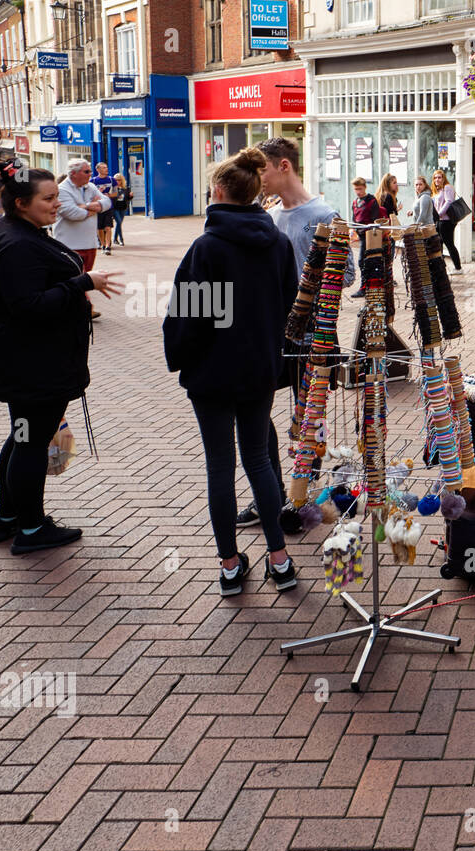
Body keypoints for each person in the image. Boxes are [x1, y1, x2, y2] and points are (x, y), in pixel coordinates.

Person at [162, 148, 299, 596]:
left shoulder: (209, 247)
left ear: (218, 191)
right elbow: (288, 307)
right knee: (258, 459)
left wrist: (182, 356)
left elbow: (190, 318)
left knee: (220, 466)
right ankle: (279, 560)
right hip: (259, 368)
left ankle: (229, 565)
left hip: (214, 373)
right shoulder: (276, 242)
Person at [0, 162, 122, 554]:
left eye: (57, 196)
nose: (57, 204)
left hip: (27, 364)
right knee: (29, 442)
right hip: (33, 368)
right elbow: (27, 306)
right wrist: (82, 282)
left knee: (22, 436)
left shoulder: (15, 232)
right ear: (22, 203)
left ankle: (8, 519)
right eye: (49, 198)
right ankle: (30, 528)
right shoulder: (17, 244)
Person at [255, 136, 352, 534]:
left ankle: (301, 497)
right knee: (257, 415)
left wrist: (306, 288)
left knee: (308, 418)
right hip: (269, 332)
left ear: (283, 166)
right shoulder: (269, 215)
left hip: (311, 336)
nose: (257, 179)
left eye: (261, 169)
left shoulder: (324, 214)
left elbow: (347, 275)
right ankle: (271, 496)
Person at [55, 159, 111, 301]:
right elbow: (73, 214)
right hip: (70, 246)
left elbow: (107, 202)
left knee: (85, 279)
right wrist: (94, 207)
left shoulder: (90, 186)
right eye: (87, 171)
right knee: (74, 280)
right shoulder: (62, 190)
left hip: (89, 244)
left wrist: (84, 206)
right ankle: (84, 308)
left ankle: (85, 307)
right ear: (74, 173)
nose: (90, 174)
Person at [349, 176, 383, 299]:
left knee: (363, 261)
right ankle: (367, 285)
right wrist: (354, 230)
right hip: (361, 235)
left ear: (365, 187)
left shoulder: (371, 201)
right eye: (356, 189)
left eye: (360, 188)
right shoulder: (355, 202)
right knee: (364, 261)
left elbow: (374, 220)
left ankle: (365, 287)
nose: (358, 191)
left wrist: (363, 229)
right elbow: (354, 219)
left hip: (369, 236)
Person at [431, 169, 463, 273]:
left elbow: (449, 201)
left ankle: (458, 268)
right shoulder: (438, 190)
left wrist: (439, 213)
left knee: (449, 244)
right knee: (438, 243)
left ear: (444, 178)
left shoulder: (447, 187)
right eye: (435, 178)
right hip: (440, 221)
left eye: (439, 177)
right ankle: (441, 267)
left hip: (446, 221)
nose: (437, 179)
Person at [90, 161, 116, 255]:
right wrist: (98, 192)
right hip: (97, 207)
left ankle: (108, 246)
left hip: (108, 206)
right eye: (104, 167)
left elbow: (116, 193)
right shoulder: (92, 181)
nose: (106, 169)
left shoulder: (112, 179)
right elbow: (89, 195)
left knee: (108, 227)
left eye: (106, 167)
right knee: (100, 228)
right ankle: (103, 244)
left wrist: (109, 194)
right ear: (98, 170)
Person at [110, 173, 131, 247]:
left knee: (119, 224)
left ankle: (115, 239)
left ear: (122, 181)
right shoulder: (112, 188)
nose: (117, 181)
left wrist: (131, 196)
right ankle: (121, 240)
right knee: (119, 222)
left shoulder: (126, 188)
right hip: (115, 208)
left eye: (119, 180)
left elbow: (127, 199)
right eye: (115, 180)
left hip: (123, 208)